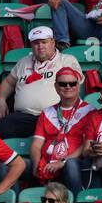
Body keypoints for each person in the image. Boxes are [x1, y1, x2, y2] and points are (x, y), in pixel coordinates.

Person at [0, 25, 81, 139]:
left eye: (44, 42)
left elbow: (74, 84)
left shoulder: (66, 60)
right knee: (0, 127)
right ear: (31, 46)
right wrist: (1, 100)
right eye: (36, 43)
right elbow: (9, 82)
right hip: (24, 117)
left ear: (53, 42)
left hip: (54, 116)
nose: (40, 46)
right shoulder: (23, 62)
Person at [29, 67, 92, 195]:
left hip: (73, 162)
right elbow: (36, 145)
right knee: (8, 166)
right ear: (56, 87)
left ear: (78, 86)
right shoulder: (47, 113)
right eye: (63, 84)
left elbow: (87, 144)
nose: (68, 87)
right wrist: (36, 164)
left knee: (71, 164)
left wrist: (62, 162)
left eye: (72, 83)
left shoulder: (90, 111)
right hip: (46, 163)